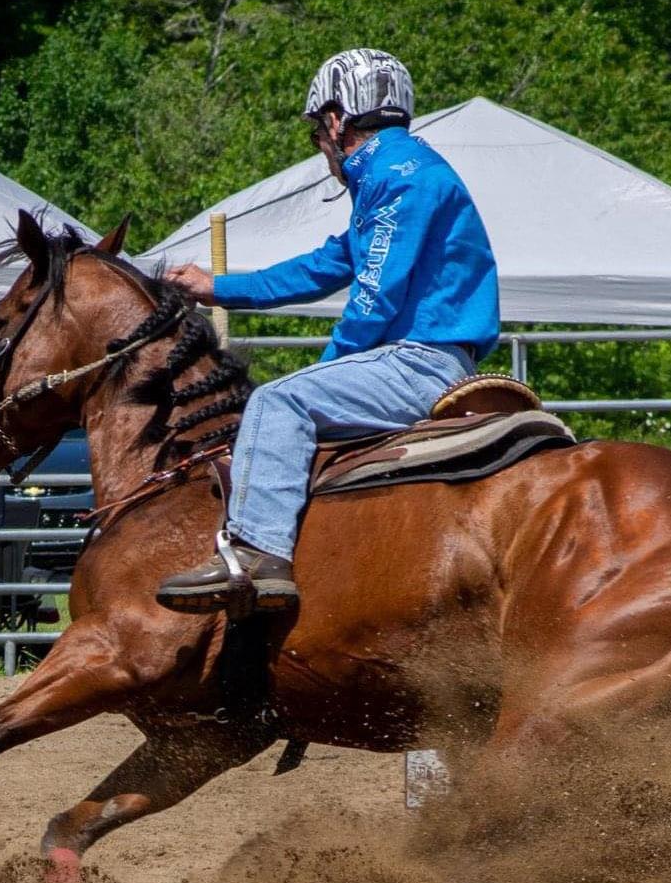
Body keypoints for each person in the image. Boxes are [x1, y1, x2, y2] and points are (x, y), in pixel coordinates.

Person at [156, 48, 500, 615]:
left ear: (338, 120)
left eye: (319, 130)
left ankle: (257, 556)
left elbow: (373, 299)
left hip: (418, 364)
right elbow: (323, 266)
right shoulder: (401, 173)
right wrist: (216, 287)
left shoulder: (398, 178)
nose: (320, 146)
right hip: (429, 358)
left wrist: (325, 368)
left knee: (276, 402)